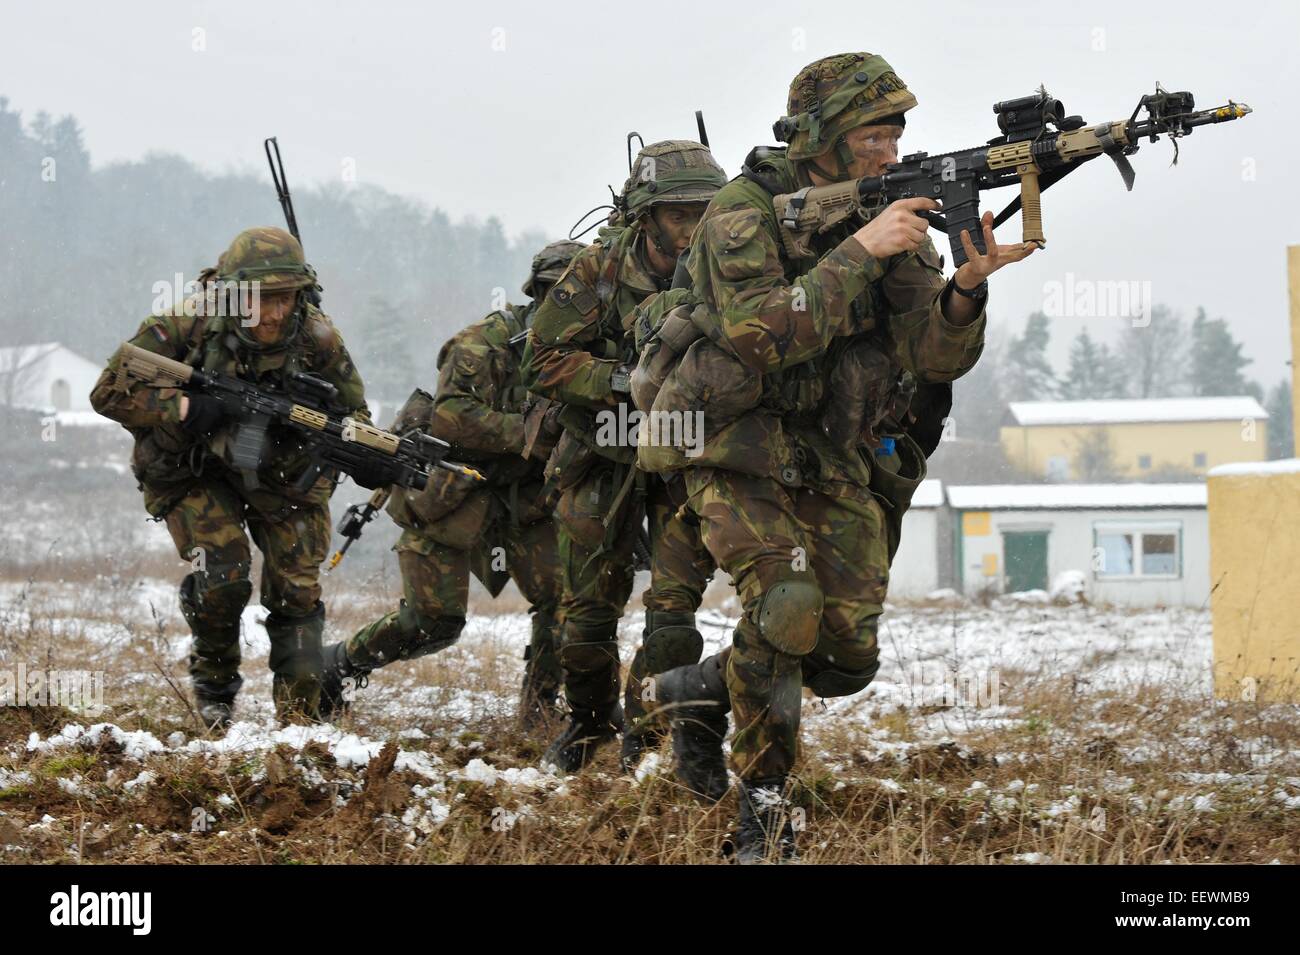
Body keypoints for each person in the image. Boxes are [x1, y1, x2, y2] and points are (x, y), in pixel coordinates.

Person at [651, 52, 1036, 861]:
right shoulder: (741, 214)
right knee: (785, 606)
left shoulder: (893, 213)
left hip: (832, 452)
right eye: (872, 135)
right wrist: (859, 250)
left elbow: (931, 354)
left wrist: (966, 285)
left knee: (845, 656)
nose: (889, 151)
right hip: (734, 447)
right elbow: (759, 333)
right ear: (822, 136)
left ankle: (695, 689)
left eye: (897, 133)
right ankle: (762, 812)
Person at [90, 227, 370, 727]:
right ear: (233, 294)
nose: (275, 314)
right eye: (262, 300)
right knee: (223, 576)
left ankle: (301, 718)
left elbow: (355, 413)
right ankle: (215, 686)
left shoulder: (318, 337)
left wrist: (363, 452)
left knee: (298, 594)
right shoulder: (184, 324)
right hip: (193, 469)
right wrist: (183, 407)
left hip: (283, 475)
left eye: (285, 299)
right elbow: (108, 391)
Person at [317, 241, 586, 726]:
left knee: (568, 600)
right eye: (560, 295)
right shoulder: (483, 345)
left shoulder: (586, 352)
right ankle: (338, 665)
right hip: (451, 495)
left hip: (524, 502)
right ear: (540, 294)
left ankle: (540, 710)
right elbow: (450, 418)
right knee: (433, 625)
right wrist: (530, 433)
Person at [521, 140, 726, 771]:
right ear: (646, 215)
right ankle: (586, 726)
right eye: (677, 214)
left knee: (673, 620)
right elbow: (542, 359)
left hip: (682, 461)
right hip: (599, 456)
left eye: (703, 213)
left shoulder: (730, 269)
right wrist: (627, 380)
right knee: (582, 627)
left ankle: (647, 727)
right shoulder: (598, 272)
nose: (691, 229)